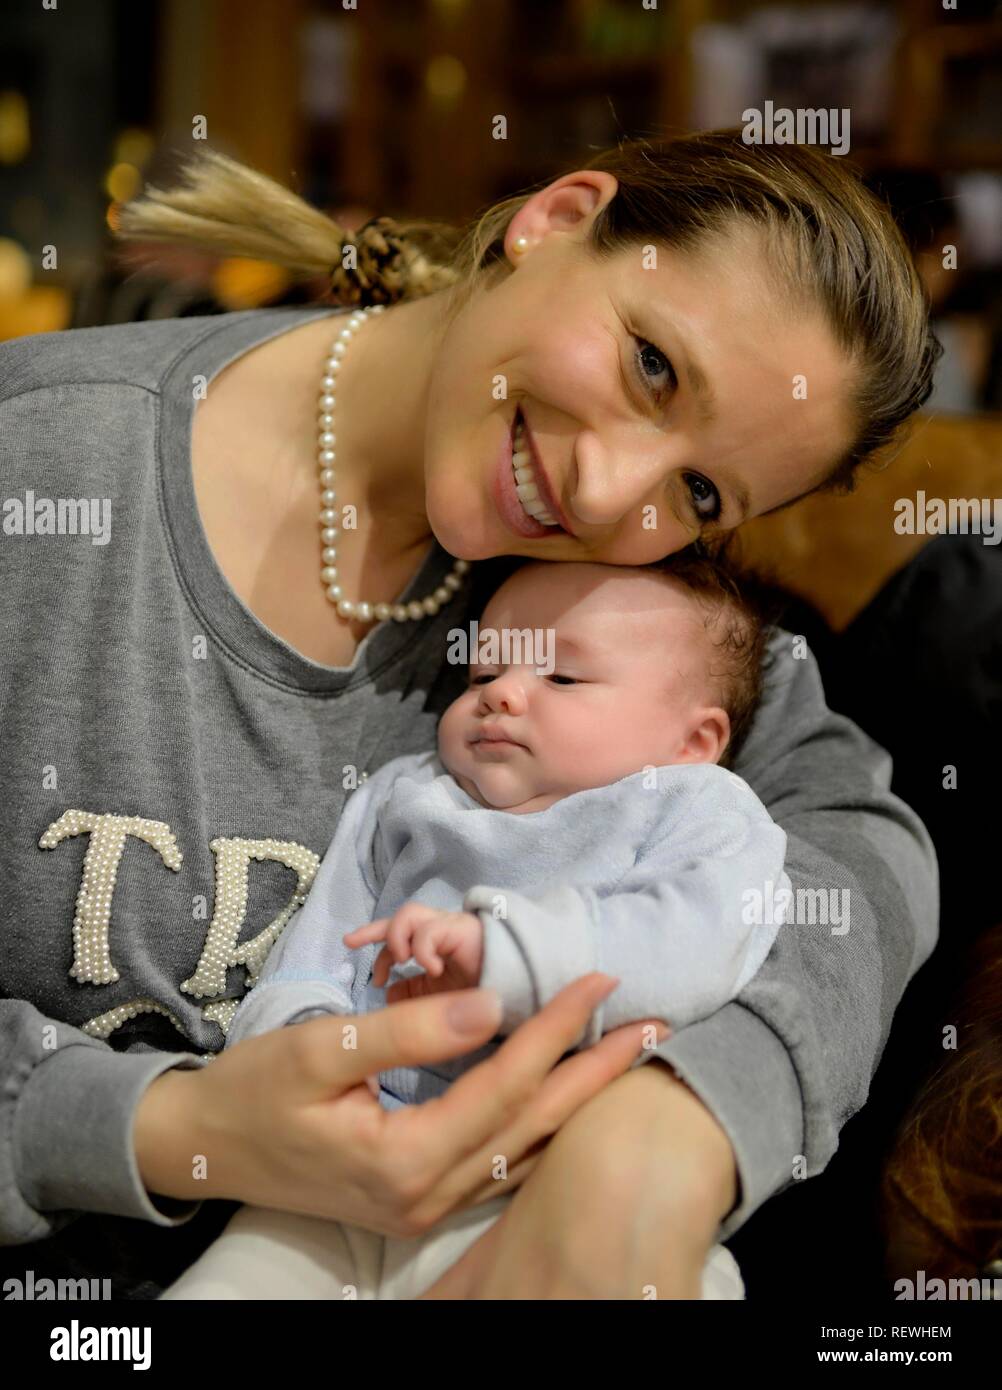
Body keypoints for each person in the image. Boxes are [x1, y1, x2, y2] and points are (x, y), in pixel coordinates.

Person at [0, 129, 940, 1300]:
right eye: (653, 365)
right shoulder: (39, 471)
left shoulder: (621, 604)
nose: (604, 492)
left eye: (698, 492)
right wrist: (166, 1126)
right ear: (557, 216)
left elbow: (862, 837)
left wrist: (678, 1121)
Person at [160, 553, 788, 1300]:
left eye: (561, 678)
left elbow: (696, 944)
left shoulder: (696, 810)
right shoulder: (410, 794)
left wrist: (512, 955)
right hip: (337, 1184)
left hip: (557, 1192)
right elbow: (322, 940)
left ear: (691, 743)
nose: (503, 697)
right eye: (483, 677)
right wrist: (300, 1040)